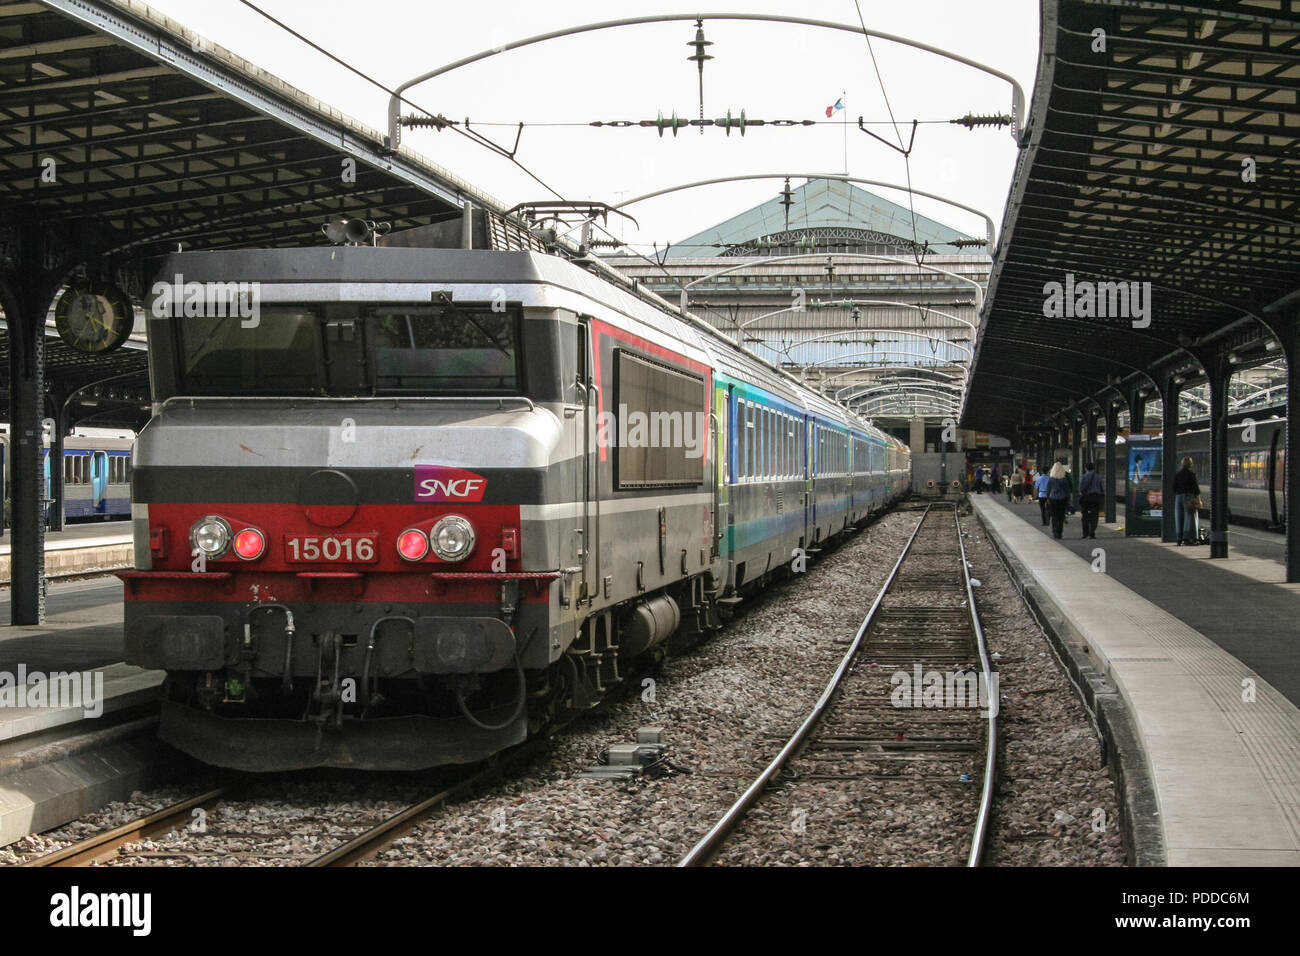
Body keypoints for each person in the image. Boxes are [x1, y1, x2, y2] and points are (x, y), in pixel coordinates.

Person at [1172, 456, 1201, 546]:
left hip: (1178, 498)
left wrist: (1179, 493)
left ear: (1182, 464)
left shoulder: (1177, 474)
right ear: (1190, 465)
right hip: (1188, 497)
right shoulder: (1192, 475)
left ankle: (1179, 539)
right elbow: (1196, 489)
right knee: (1190, 518)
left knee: (1179, 518)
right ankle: (1189, 539)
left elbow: (1173, 488)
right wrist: (1198, 499)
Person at [1078, 461, 1104, 539]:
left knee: (1085, 516)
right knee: (1094, 516)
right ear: (1094, 468)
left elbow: (1081, 488)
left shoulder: (1084, 477)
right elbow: (1101, 488)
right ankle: (1092, 532)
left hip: (1086, 498)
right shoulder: (1098, 477)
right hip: (1096, 498)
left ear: (1086, 468)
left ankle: (1085, 533)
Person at [1047, 461, 1071, 538]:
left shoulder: (1051, 479)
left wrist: (1048, 498)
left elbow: (1048, 489)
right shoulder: (1064, 480)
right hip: (1062, 499)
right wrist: (1068, 500)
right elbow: (1067, 491)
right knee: (1061, 517)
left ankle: (1055, 532)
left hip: (1053, 498)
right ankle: (1060, 532)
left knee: (1054, 516)